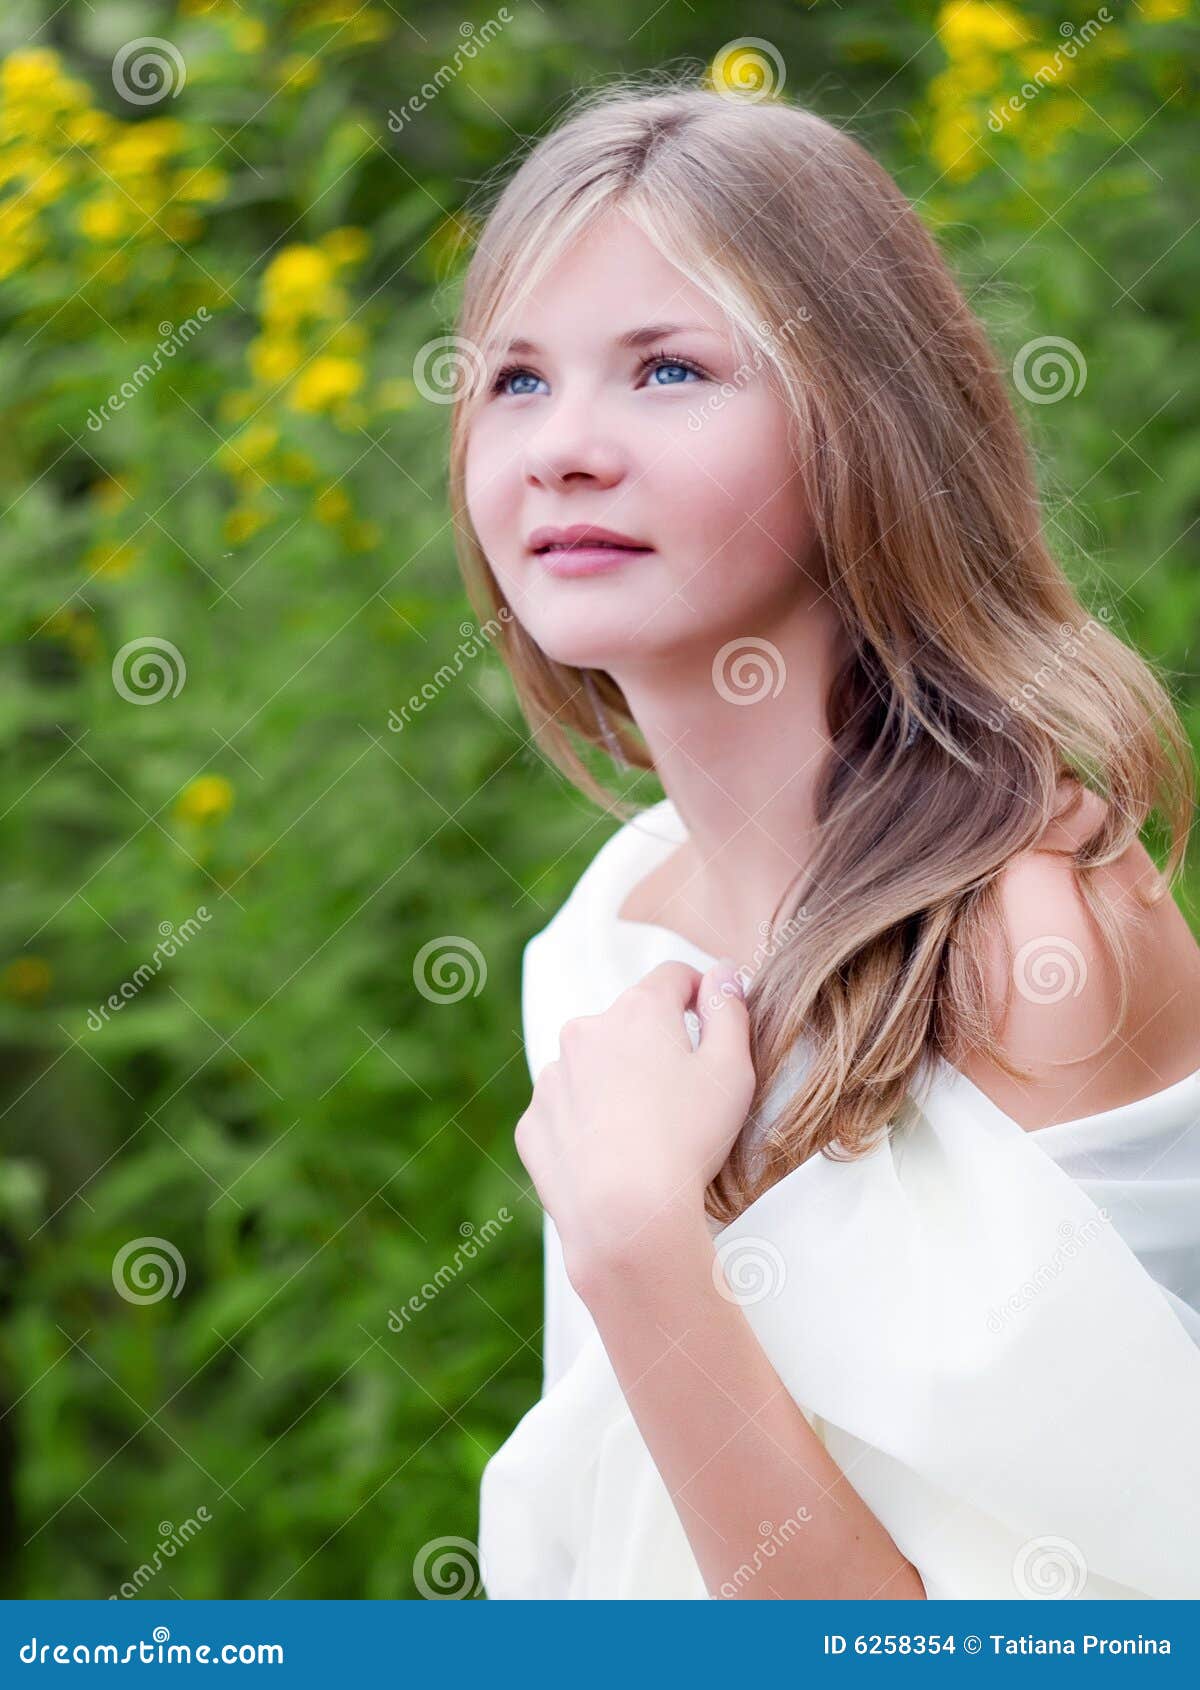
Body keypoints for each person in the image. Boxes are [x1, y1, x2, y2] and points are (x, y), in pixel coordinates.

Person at [446, 76, 1200, 1599]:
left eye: (667, 370)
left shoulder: (1021, 949)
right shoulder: (606, 931)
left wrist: (640, 1244)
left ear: (865, 424)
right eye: (515, 380)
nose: (563, 447)